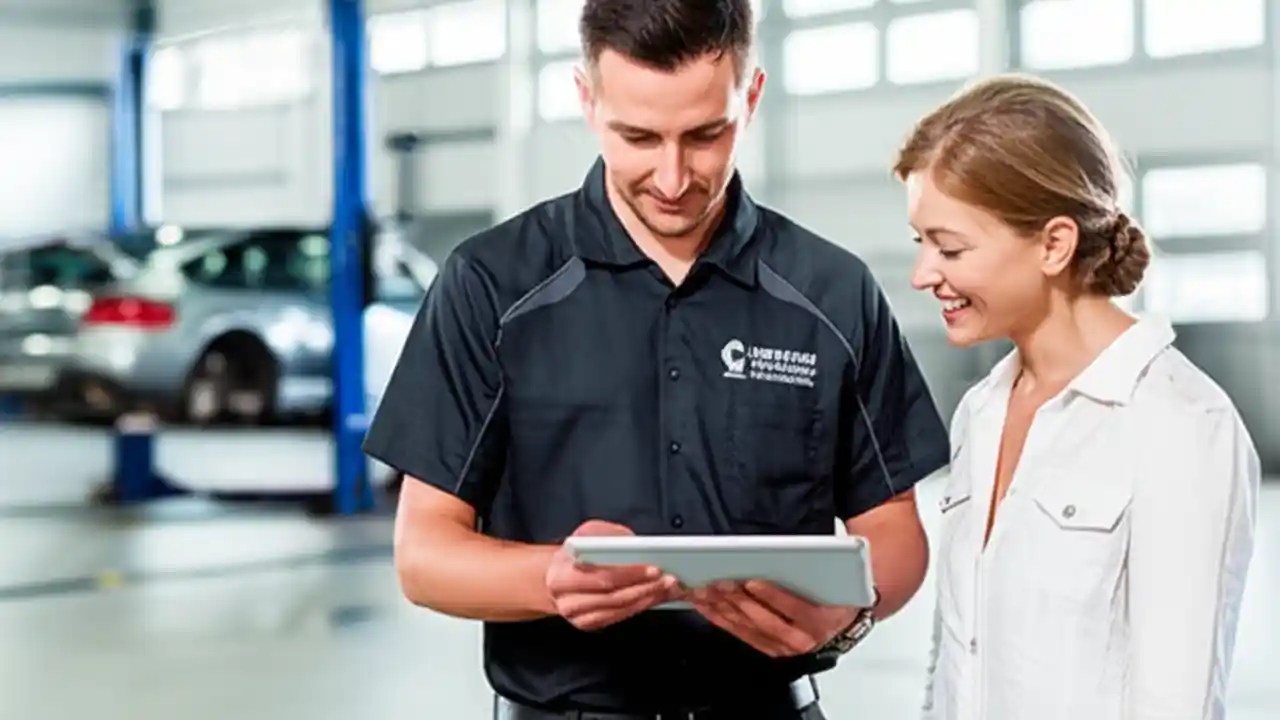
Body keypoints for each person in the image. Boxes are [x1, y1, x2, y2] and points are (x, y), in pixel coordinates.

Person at [363, 0, 952, 717]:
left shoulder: (831, 291)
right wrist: (549, 578)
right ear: (587, 99)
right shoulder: (492, 286)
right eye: (638, 137)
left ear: (752, 96)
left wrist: (849, 614)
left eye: (706, 135)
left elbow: (893, 530)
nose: (673, 178)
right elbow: (424, 555)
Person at [895, 73, 1261, 720]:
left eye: (949, 247)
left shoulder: (1179, 424)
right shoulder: (980, 412)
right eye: (920, 242)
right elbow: (957, 662)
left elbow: (1176, 702)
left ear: (1054, 244)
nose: (924, 274)